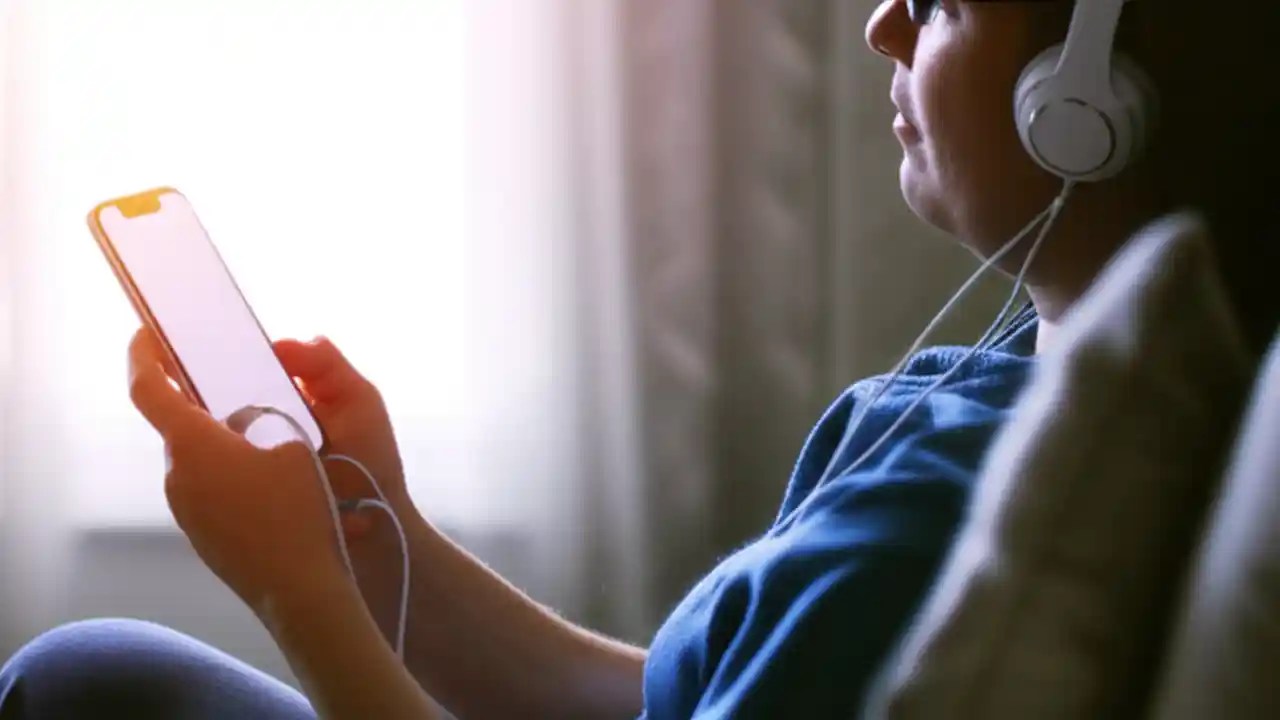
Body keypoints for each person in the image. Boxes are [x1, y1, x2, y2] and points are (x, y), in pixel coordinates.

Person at [3, 1, 1277, 717]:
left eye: (946, 3)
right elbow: (665, 706)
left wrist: (298, 595)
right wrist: (381, 534)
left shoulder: (937, 538)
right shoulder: (1019, 362)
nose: (885, 21)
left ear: (1087, 105)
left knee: (74, 683)